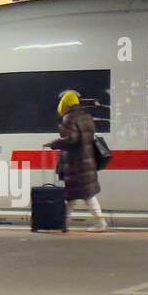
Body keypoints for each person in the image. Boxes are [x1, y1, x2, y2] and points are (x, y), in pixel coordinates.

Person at [44, 89, 107, 232]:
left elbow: (71, 140)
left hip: (76, 163)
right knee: (79, 195)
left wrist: (54, 143)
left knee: (81, 195)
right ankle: (63, 223)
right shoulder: (86, 117)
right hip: (86, 161)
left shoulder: (69, 118)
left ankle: (99, 223)